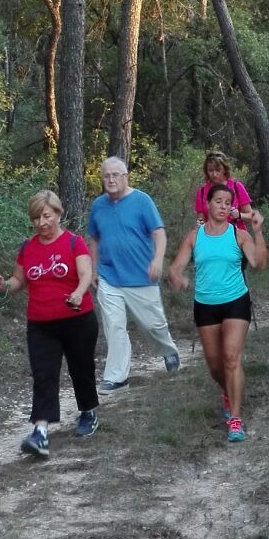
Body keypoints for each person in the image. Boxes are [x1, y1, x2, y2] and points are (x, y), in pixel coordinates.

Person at [0, 190, 99, 458]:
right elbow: (19, 282)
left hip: (77, 318)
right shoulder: (28, 248)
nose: (42, 223)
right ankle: (40, 432)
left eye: (47, 216)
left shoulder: (74, 243)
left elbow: (86, 274)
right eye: (36, 218)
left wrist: (78, 292)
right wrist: (3, 285)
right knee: (43, 374)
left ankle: (88, 412)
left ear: (58, 214)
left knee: (81, 368)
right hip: (41, 323)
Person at [169, 187, 267, 443]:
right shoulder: (195, 236)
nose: (223, 207)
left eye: (227, 203)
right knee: (215, 366)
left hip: (236, 301)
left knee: (231, 358)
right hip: (205, 305)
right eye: (218, 202)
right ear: (208, 204)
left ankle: (235, 418)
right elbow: (176, 267)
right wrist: (177, 277)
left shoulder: (239, 234)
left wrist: (258, 231)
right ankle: (229, 393)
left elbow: (259, 264)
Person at [87, 157, 180, 390]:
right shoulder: (98, 205)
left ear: (125, 176)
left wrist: (157, 261)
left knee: (153, 325)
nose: (110, 180)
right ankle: (117, 377)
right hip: (109, 276)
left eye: (115, 175)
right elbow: (94, 239)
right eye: (106, 176)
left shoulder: (142, 201)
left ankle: (168, 350)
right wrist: (93, 268)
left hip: (140, 275)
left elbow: (159, 233)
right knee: (114, 325)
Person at [194, 151, 253, 226]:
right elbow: (201, 219)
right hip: (212, 235)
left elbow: (251, 216)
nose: (214, 174)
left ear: (225, 170)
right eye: (211, 170)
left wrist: (239, 215)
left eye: (218, 170)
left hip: (235, 235)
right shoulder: (202, 192)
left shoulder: (236, 186)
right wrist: (200, 224)